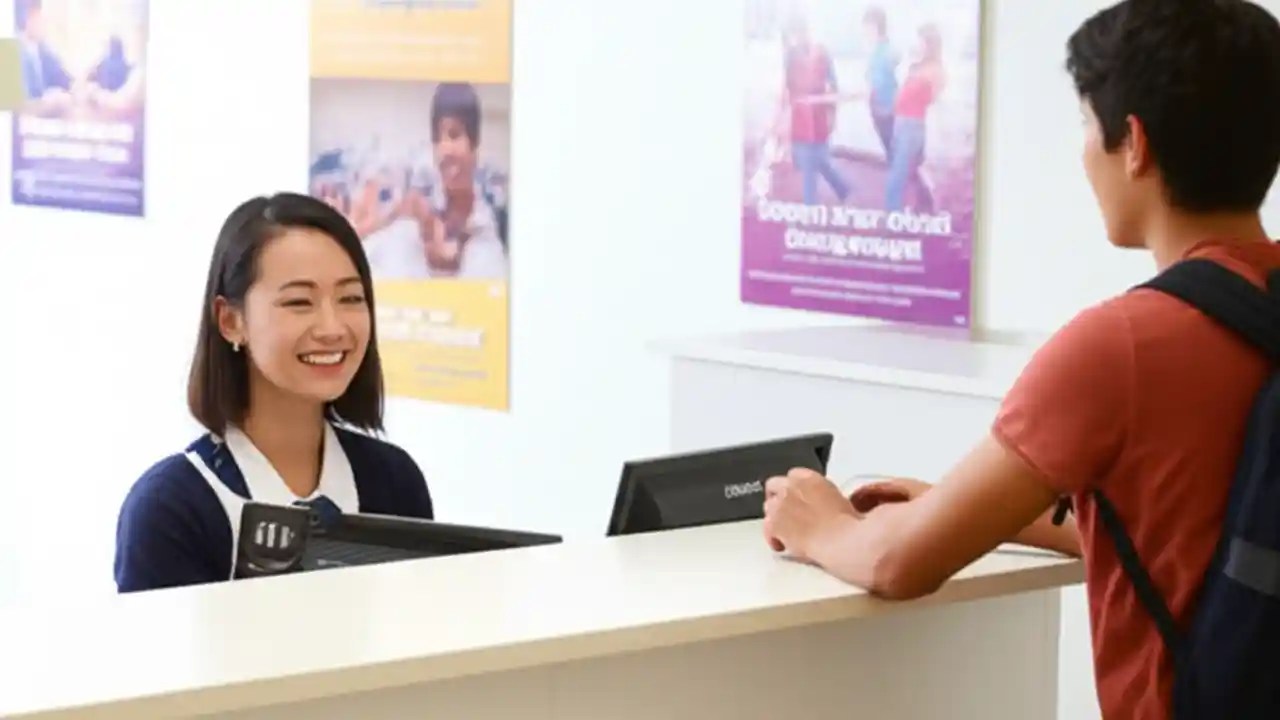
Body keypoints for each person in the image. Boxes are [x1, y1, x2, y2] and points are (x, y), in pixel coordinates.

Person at [760, 1, 1280, 718]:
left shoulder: (1119, 347)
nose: (1082, 150)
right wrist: (977, 512)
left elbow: (897, 563)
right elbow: (1201, 531)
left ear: (1133, 143)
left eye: (1086, 123)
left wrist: (822, 524)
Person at [113, 193, 435, 593]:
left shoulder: (394, 482)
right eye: (299, 302)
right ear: (230, 321)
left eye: (351, 298)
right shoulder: (171, 508)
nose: (332, 327)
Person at [774, 12, 850, 206]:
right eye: (793, 35)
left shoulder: (821, 53)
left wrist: (833, 114)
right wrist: (780, 118)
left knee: (810, 163)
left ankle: (810, 208)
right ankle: (843, 190)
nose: (796, 38)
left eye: (797, 33)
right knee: (818, 161)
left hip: (818, 117)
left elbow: (833, 85)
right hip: (801, 117)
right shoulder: (790, 56)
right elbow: (786, 89)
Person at [884, 23, 944, 212]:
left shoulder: (934, 69)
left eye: (921, 42)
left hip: (912, 125)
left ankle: (894, 217)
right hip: (901, 123)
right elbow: (901, 91)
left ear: (929, 44)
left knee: (897, 176)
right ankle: (924, 207)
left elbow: (933, 96)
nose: (917, 45)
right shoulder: (915, 67)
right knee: (909, 171)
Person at [862, 6, 899, 158]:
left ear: (874, 27)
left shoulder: (883, 52)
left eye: (866, 27)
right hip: (884, 109)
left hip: (885, 110)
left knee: (893, 150)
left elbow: (876, 86)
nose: (864, 32)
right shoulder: (882, 50)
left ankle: (898, 178)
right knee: (892, 149)